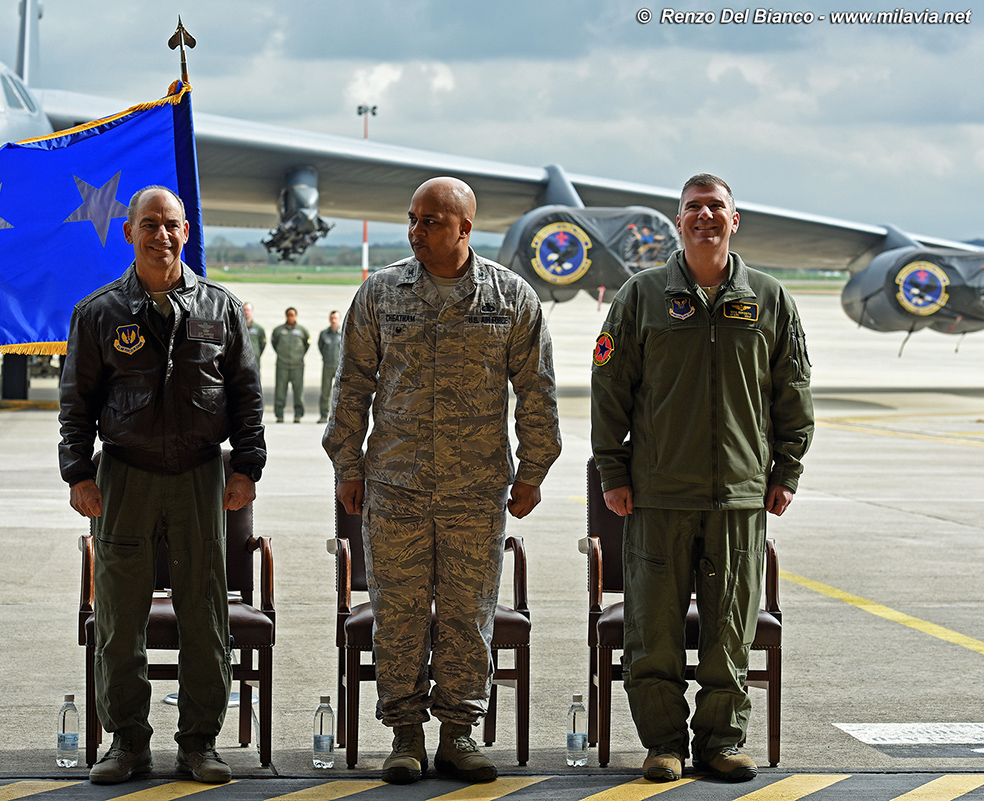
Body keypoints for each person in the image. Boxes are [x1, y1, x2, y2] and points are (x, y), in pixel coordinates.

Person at [323, 177, 560, 785]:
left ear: (464, 228)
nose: (416, 231)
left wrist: (532, 471)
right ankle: (404, 735)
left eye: (431, 221)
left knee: (466, 614)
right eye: (413, 219)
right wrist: (348, 468)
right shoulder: (380, 294)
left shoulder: (510, 298)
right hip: (394, 487)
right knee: (397, 613)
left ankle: (458, 733)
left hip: (476, 492)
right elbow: (351, 387)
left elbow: (537, 392)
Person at [590, 174, 814, 783]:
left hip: (740, 496)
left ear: (734, 221)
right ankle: (663, 743)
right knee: (653, 630)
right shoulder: (642, 296)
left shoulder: (770, 299)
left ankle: (720, 742)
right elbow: (610, 389)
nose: (705, 217)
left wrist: (786, 469)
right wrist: (613, 468)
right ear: (678, 221)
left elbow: (792, 392)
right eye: (693, 208)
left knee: (730, 631)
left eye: (717, 207)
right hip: (658, 494)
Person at [58, 185, 266, 786]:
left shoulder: (221, 310)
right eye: (149, 225)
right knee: (120, 619)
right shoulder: (98, 313)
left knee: (205, 613)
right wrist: (78, 473)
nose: (162, 236)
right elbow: (76, 403)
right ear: (130, 234)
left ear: (186, 232)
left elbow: (245, 395)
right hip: (124, 476)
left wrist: (246, 465)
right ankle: (127, 744)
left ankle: (199, 744)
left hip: (201, 475)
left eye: (172, 225)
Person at [271, 307, 309, 422]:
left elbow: (306, 345)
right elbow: (274, 343)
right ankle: (279, 415)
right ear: (286, 316)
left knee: (298, 391)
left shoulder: (302, 330)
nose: (290, 317)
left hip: (297, 366)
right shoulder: (278, 330)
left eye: (292, 315)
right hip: (282, 365)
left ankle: (298, 415)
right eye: (289, 315)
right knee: (280, 391)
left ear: (296, 316)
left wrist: (298, 356)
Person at [316, 310, 342, 423]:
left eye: (335, 318)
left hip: (340, 367)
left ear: (339, 319)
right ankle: (323, 415)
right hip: (327, 365)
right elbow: (321, 347)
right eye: (331, 318)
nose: (333, 320)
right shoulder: (324, 334)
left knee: (340, 393)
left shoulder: (344, 333)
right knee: (325, 392)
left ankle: (339, 416)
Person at [243, 301, 266, 368]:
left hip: (254, 360)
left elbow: (262, 344)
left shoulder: (259, 329)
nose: (246, 312)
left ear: (252, 311)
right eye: (244, 310)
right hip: (241, 360)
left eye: (248, 310)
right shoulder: (237, 327)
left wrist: (256, 352)